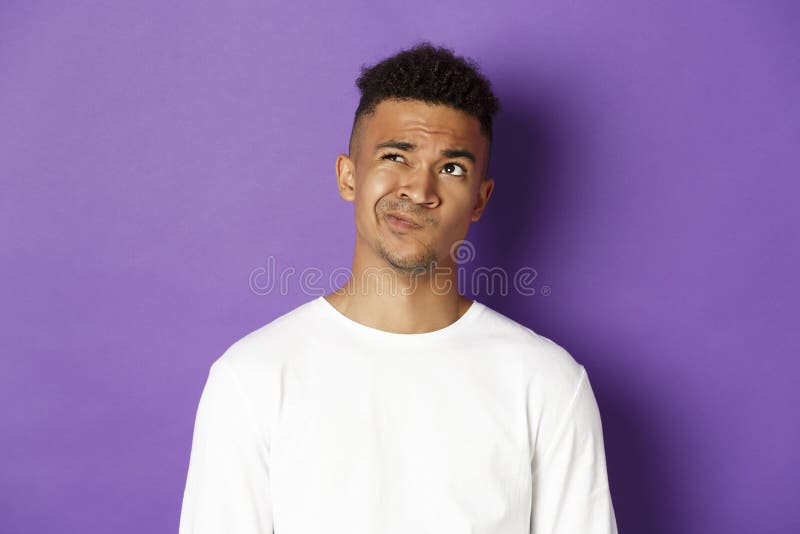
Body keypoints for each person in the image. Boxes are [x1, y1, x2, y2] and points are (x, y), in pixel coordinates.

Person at [178, 42, 618, 534]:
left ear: (480, 199)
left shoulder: (547, 385)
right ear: (349, 176)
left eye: (452, 168)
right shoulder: (251, 378)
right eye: (395, 156)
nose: (420, 190)